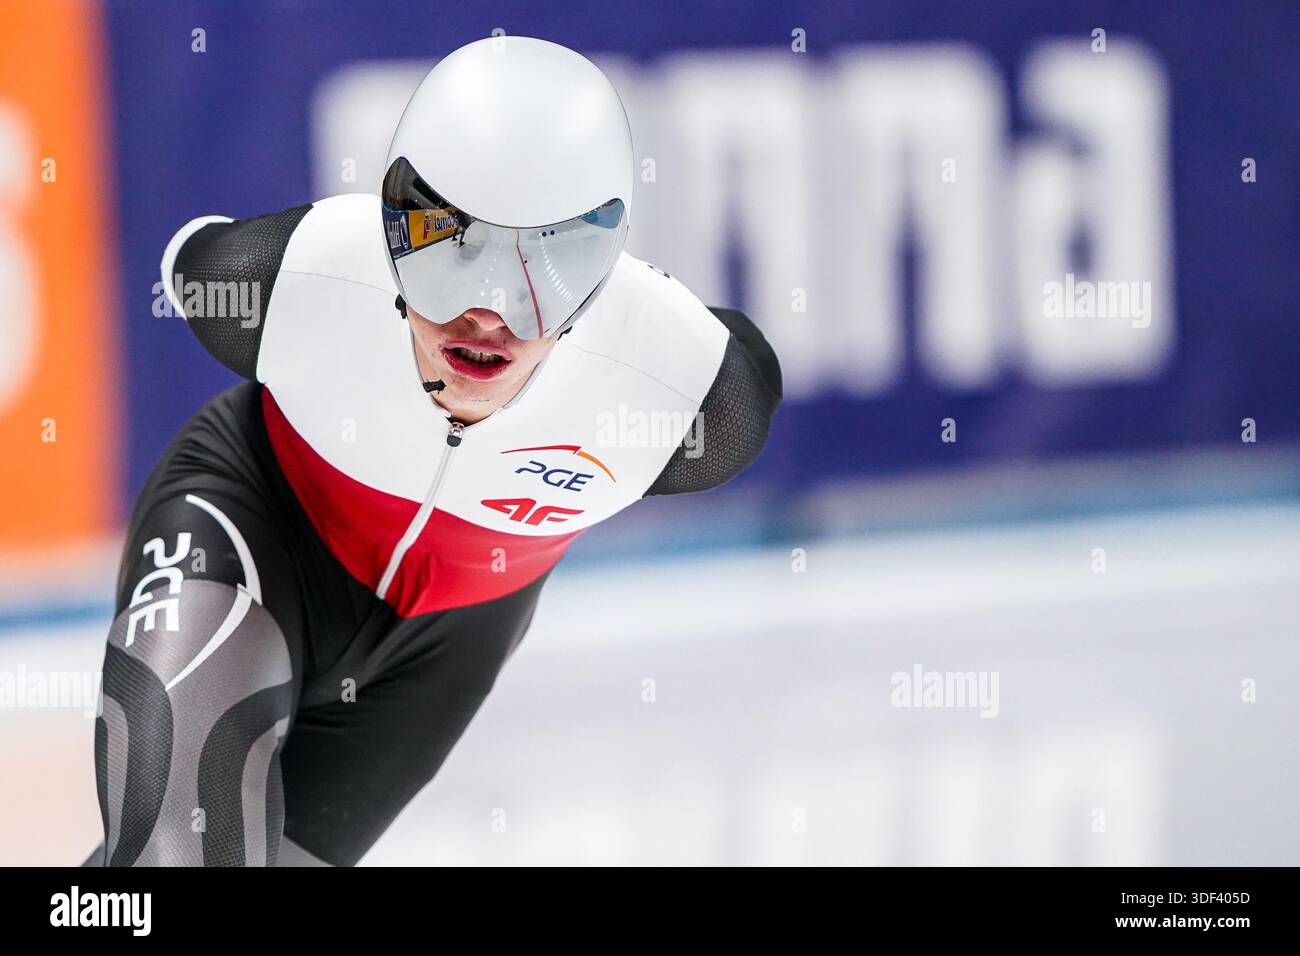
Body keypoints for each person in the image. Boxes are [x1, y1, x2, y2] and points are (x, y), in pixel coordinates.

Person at [85, 36, 781, 867]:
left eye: (547, 263)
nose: (487, 311)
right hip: (251, 530)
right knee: (180, 859)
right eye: (449, 245)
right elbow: (189, 260)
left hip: (443, 648)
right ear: (391, 223)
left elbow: (743, 371)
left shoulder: (687, 399)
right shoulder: (290, 282)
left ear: (609, 265)